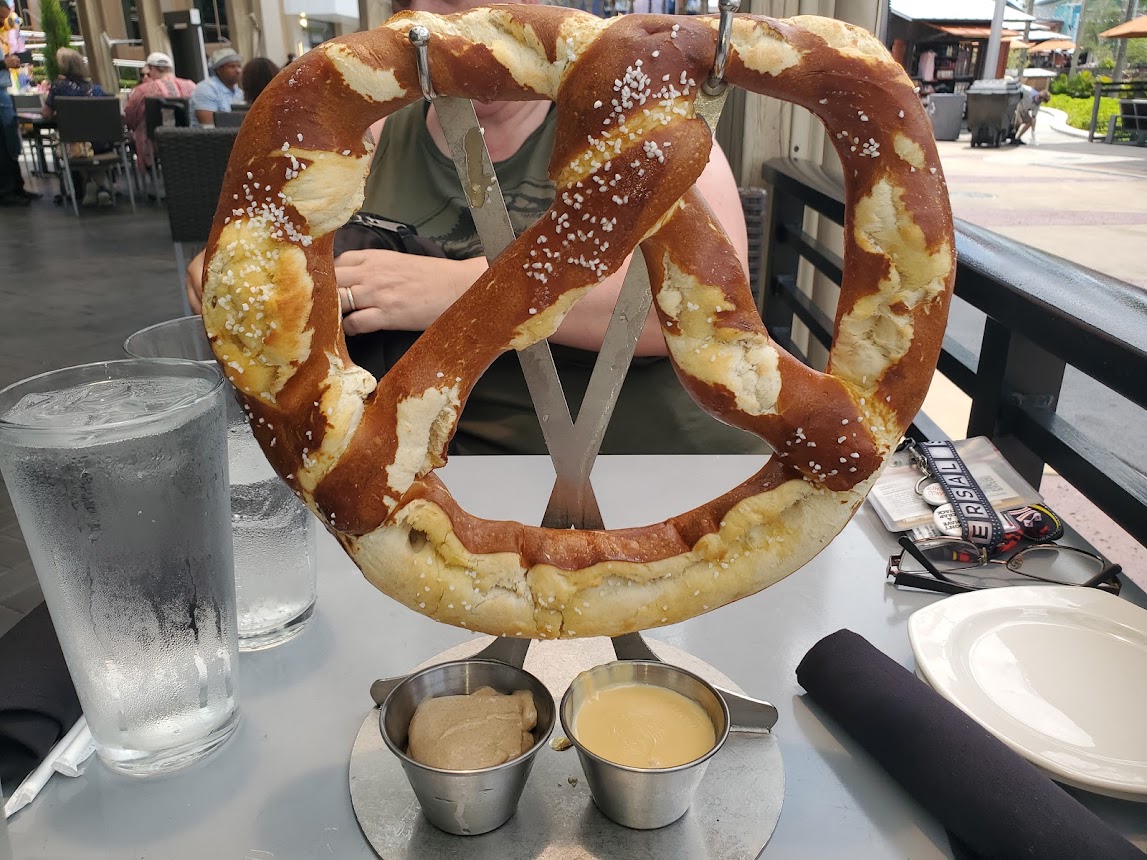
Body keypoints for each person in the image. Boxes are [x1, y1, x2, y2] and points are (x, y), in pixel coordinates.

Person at [186, 0, 760, 455]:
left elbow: (708, 314)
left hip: (669, 463)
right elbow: (258, 256)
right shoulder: (365, 138)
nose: (473, 19)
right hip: (448, 483)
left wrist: (461, 290)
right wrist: (238, 280)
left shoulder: (639, 127)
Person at [42, 48, 115, 206]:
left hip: (76, 147)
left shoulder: (59, 87)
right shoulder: (96, 89)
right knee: (89, 145)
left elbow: (46, 114)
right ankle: (101, 187)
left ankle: (88, 185)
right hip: (102, 143)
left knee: (75, 144)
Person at [123, 52, 195, 171]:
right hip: (190, 140)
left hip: (154, 144)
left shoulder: (142, 90)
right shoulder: (191, 86)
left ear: (152, 69)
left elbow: (130, 116)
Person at [0, 0, 34, 205]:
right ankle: (7, 189)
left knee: (10, 139)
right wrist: (4, 63)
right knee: (5, 141)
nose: (3, 22)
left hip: (3, 90)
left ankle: (16, 187)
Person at [189, 47, 243, 126]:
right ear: (219, 70)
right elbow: (209, 127)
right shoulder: (206, 89)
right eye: (232, 66)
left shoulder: (239, 92)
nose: (238, 71)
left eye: (239, 66)